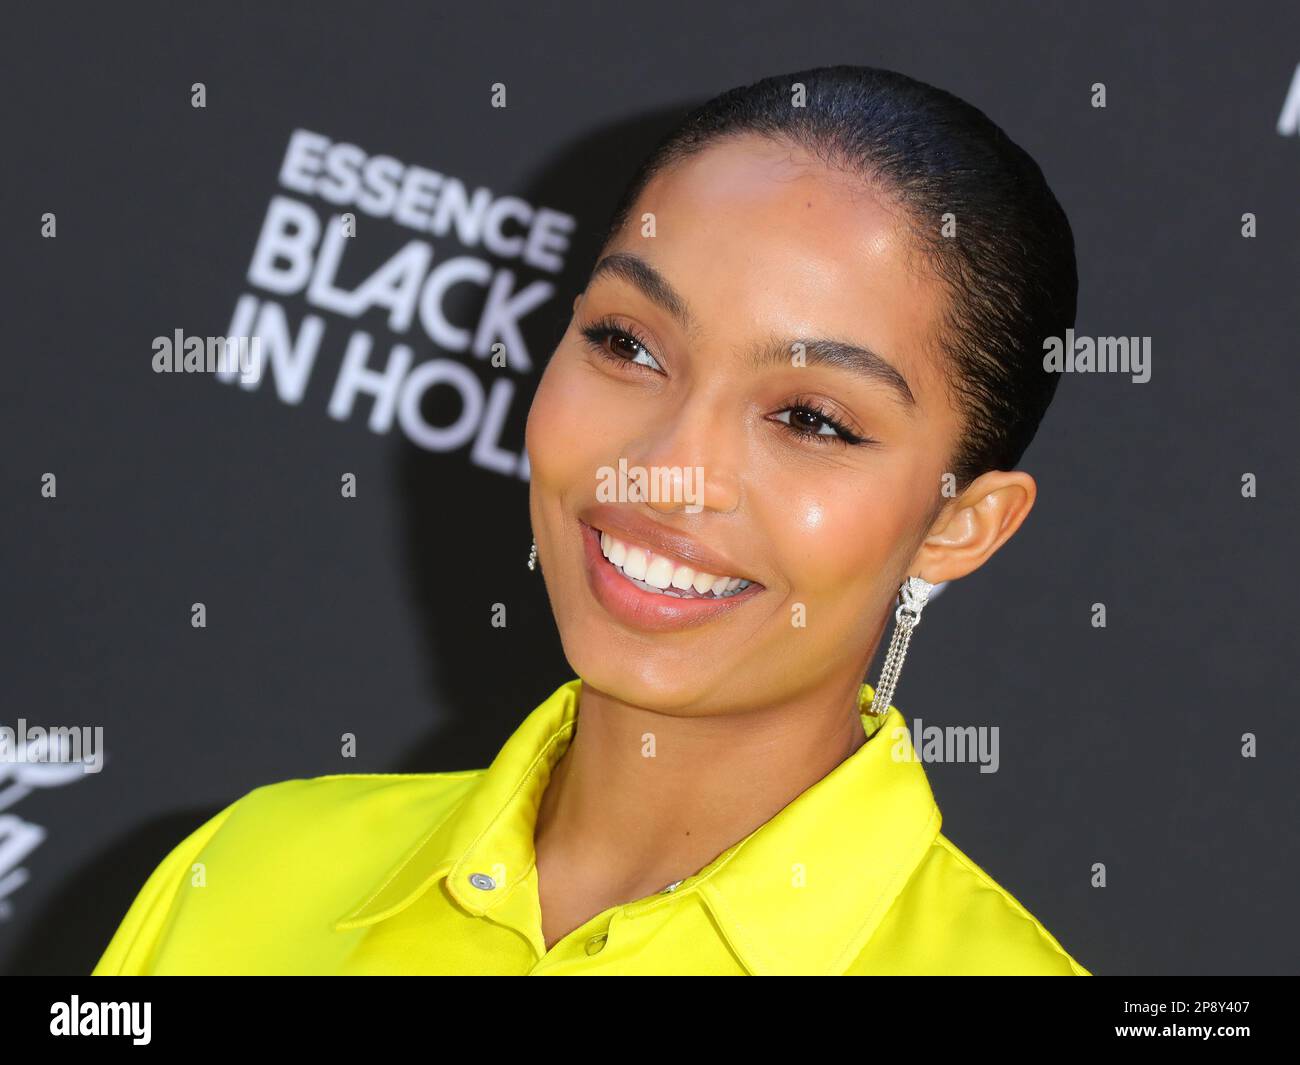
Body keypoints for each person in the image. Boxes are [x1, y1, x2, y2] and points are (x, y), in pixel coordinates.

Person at [93, 64, 1089, 975]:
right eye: (628, 345)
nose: (667, 473)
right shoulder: (245, 873)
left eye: (809, 419)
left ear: (961, 524)